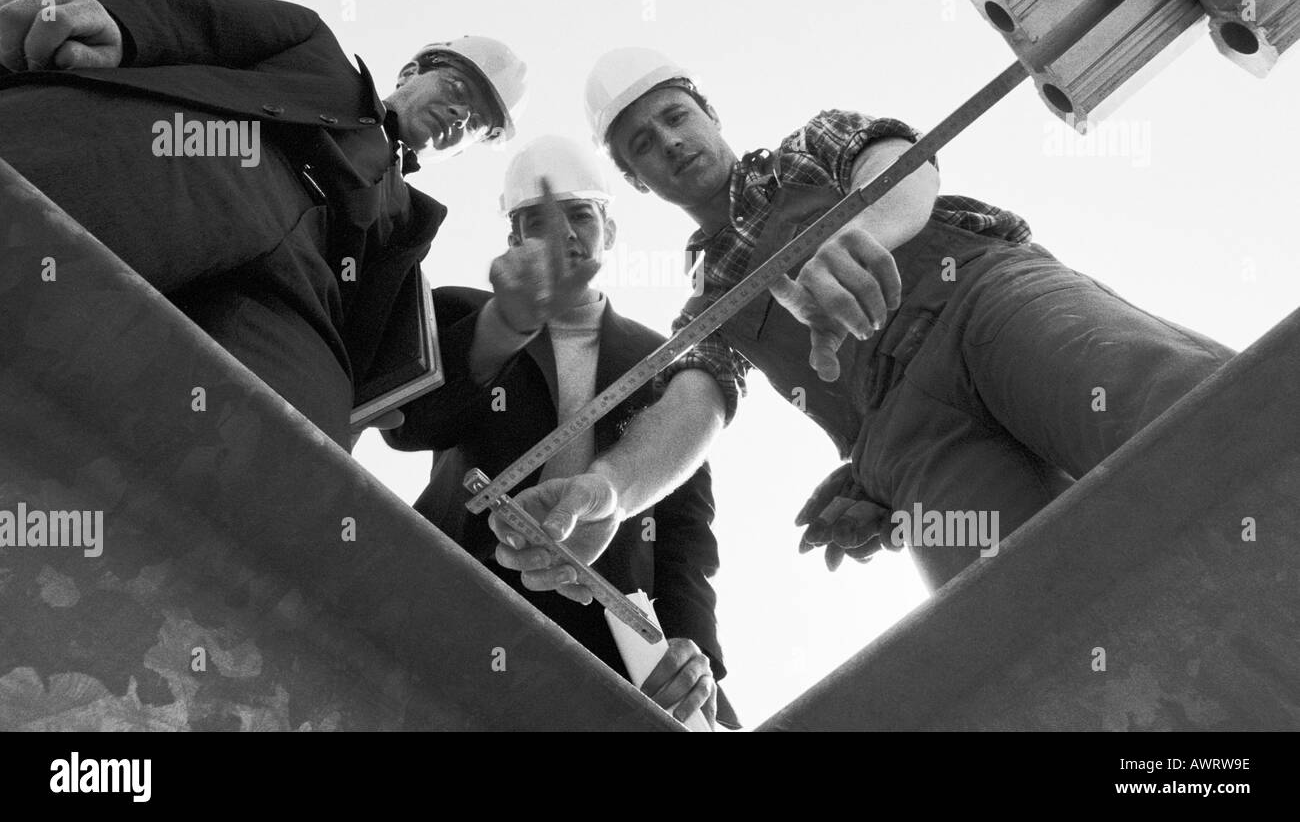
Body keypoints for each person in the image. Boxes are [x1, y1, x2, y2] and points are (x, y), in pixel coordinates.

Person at [486, 46, 1235, 594]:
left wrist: (858, 232)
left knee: (1177, 415)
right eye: (642, 144)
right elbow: (694, 402)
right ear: (635, 181)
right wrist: (612, 486)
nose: (670, 142)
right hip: (904, 441)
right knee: (1031, 616)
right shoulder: (704, 305)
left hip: (982, 301)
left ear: (709, 113)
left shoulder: (811, 147)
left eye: (675, 116)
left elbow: (905, 168)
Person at [0, 0, 525, 449]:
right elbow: (190, 17)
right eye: (457, 88)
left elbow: (419, 405)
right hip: (207, 167)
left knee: (282, 462)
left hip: (296, 303)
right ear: (412, 71)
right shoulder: (314, 50)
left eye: (478, 123)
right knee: (34, 241)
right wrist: (111, 19)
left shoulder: (408, 240)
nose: (461, 114)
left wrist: (515, 322)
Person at [382, 135, 740, 729]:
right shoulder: (460, 313)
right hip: (452, 595)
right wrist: (504, 326)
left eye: (581, 215)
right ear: (515, 240)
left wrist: (691, 645)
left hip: (614, 640)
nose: (567, 234)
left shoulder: (671, 364)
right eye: (540, 222)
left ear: (611, 230)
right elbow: (413, 426)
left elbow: (683, 530)